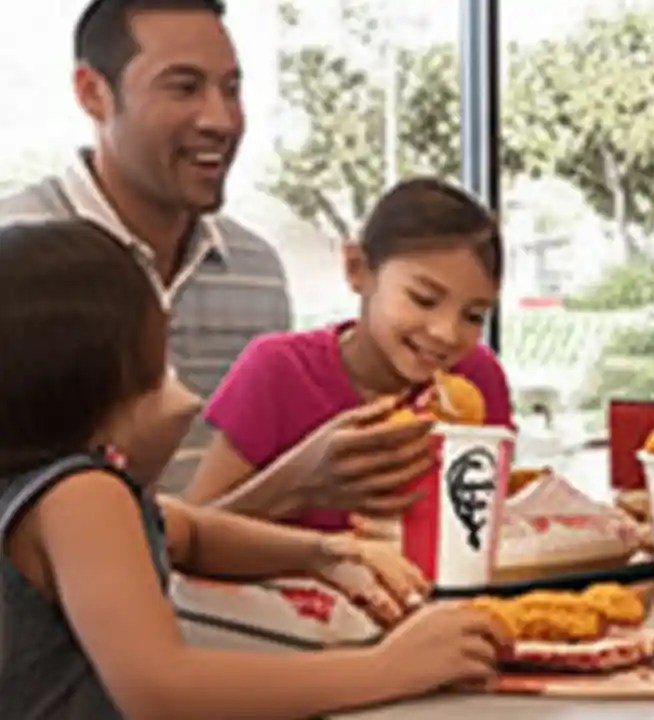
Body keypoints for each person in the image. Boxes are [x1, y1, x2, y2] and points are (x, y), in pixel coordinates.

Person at [0, 219, 508, 719]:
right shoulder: (83, 497)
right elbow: (163, 689)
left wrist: (324, 553)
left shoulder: (53, 489)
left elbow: (192, 533)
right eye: (160, 366)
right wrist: (389, 668)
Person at [0, 0, 291, 493]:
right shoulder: (15, 261)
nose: (220, 120)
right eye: (184, 87)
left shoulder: (257, 271)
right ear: (92, 93)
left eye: (232, 89)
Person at [184, 177, 511, 531]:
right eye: (423, 299)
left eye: (474, 316)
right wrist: (298, 485)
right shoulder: (278, 371)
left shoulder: (476, 378)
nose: (446, 333)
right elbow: (188, 532)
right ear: (357, 269)